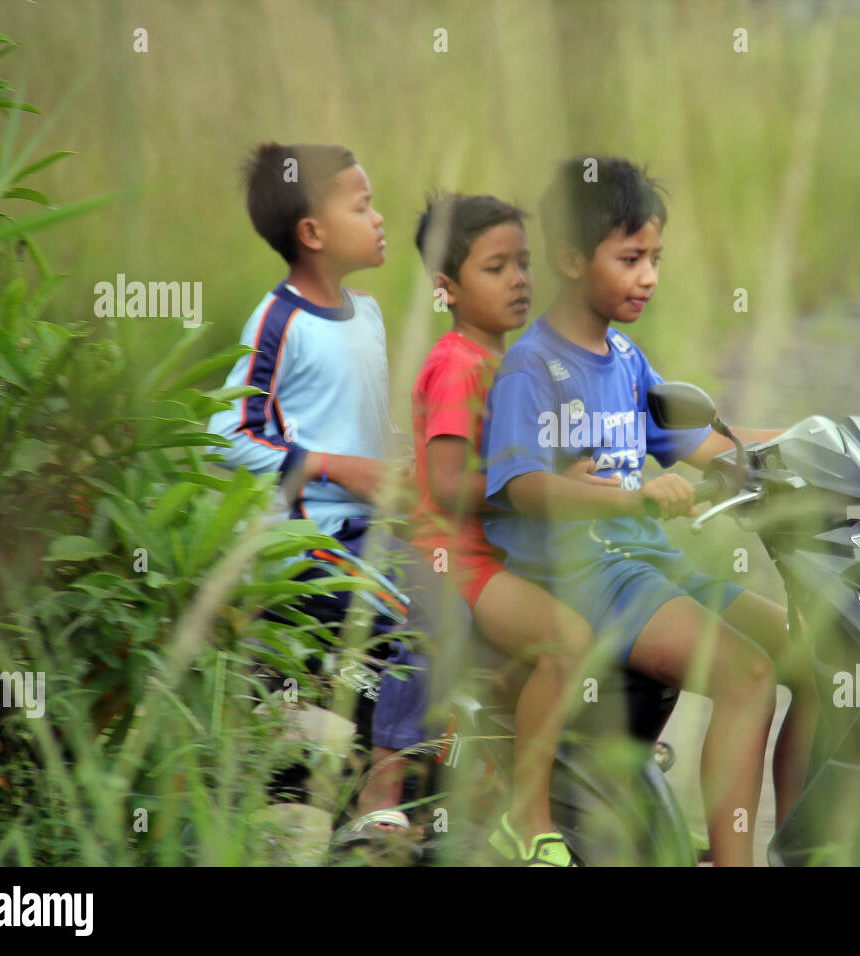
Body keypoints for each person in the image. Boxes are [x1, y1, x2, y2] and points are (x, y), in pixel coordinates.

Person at [480, 156, 818, 866]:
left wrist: (829, 440)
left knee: (813, 657)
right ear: (572, 259)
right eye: (630, 258)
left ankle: (801, 848)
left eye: (656, 258)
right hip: (588, 574)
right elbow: (521, 486)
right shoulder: (532, 368)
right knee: (747, 677)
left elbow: (715, 445)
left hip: (650, 565)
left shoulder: (628, 360)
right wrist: (632, 495)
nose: (649, 277)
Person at [206, 142, 468, 840]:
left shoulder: (369, 315)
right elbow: (225, 433)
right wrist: (336, 468)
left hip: (367, 534)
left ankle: (424, 794)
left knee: (460, 608)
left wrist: (391, 458)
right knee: (420, 626)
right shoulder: (278, 320)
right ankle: (378, 805)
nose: (381, 219)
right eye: (362, 206)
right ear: (312, 233)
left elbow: (354, 422)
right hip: (307, 541)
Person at [408, 192, 618, 866]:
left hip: (502, 548)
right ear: (447, 289)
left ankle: (605, 805)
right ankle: (528, 820)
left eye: (524, 264)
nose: (520, 280)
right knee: (566, 642)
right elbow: (444, 485)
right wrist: (536, 495)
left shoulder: (516, 363)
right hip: (456, 557)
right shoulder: (456, 368)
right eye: (496, 268)